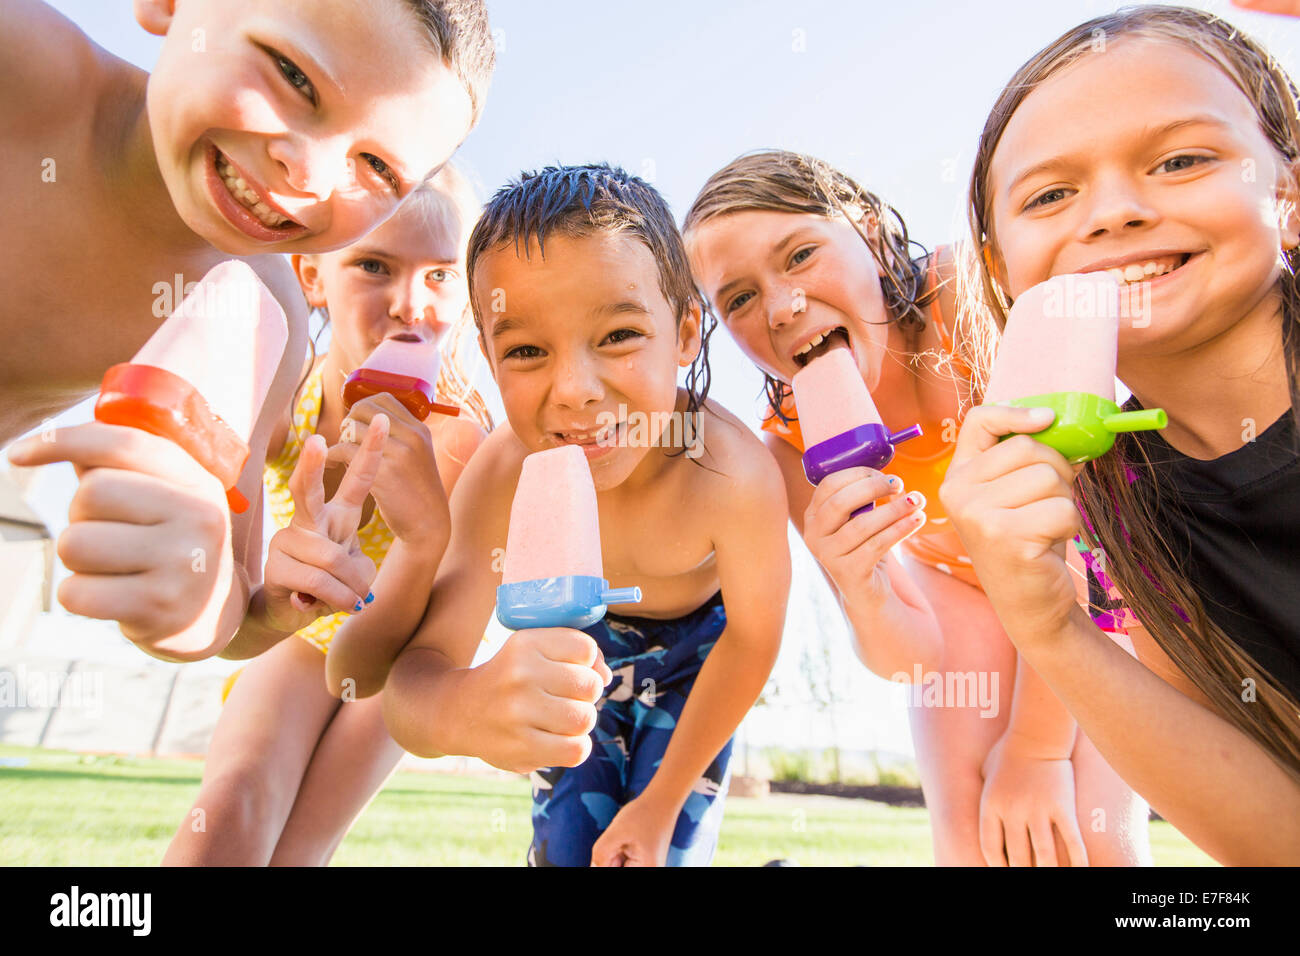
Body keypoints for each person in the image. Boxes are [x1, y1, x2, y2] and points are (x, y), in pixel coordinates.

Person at [684, 150, 1148, 865]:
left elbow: (1083, 540)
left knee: (1088, 833)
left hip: (1101, 572)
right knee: (967, 841)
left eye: (801, 255)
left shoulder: (968, 299)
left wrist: (1035, 749)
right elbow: (909, 656)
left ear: (869, 233)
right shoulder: (788, 442)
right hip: (956, 580)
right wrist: (862, 589)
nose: (780, 307)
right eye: (737, 298)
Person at [3, 0, 493, 661]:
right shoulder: (20, 66)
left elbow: (229, 615)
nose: (311, 175)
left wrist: (212, 598)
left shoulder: (262, 313)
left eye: (378, 168)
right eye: (293, 75)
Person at [941, 4, 1300, 864]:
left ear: (1287, 196)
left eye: (1182, 159)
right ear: (999, 264)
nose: (1114, 212)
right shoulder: (1117, 503)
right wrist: (1048, 628)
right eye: (1051, 194)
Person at [383, 164, 792, 866]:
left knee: (662, 852)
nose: (574, 391)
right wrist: (470, 707)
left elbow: (752, 644)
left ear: (687, 332)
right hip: (578, 649)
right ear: (487, 355)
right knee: (569, 852)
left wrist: (659, 805)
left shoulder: (733, 473)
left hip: (703, 663)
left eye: (620, 336)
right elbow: (411, 688)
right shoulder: (503, 475)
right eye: (527, 350)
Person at [164, 167, 492, 866]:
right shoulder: (285, 397)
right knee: (232, 806)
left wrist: (419, 537)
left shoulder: (465, 443)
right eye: (374, 265)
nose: (411, 304)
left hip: (406, 645)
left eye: (441, 276)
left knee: (301, 848)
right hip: (297, 630)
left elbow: (438, 613)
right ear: (312, 279)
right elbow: (225, 570)